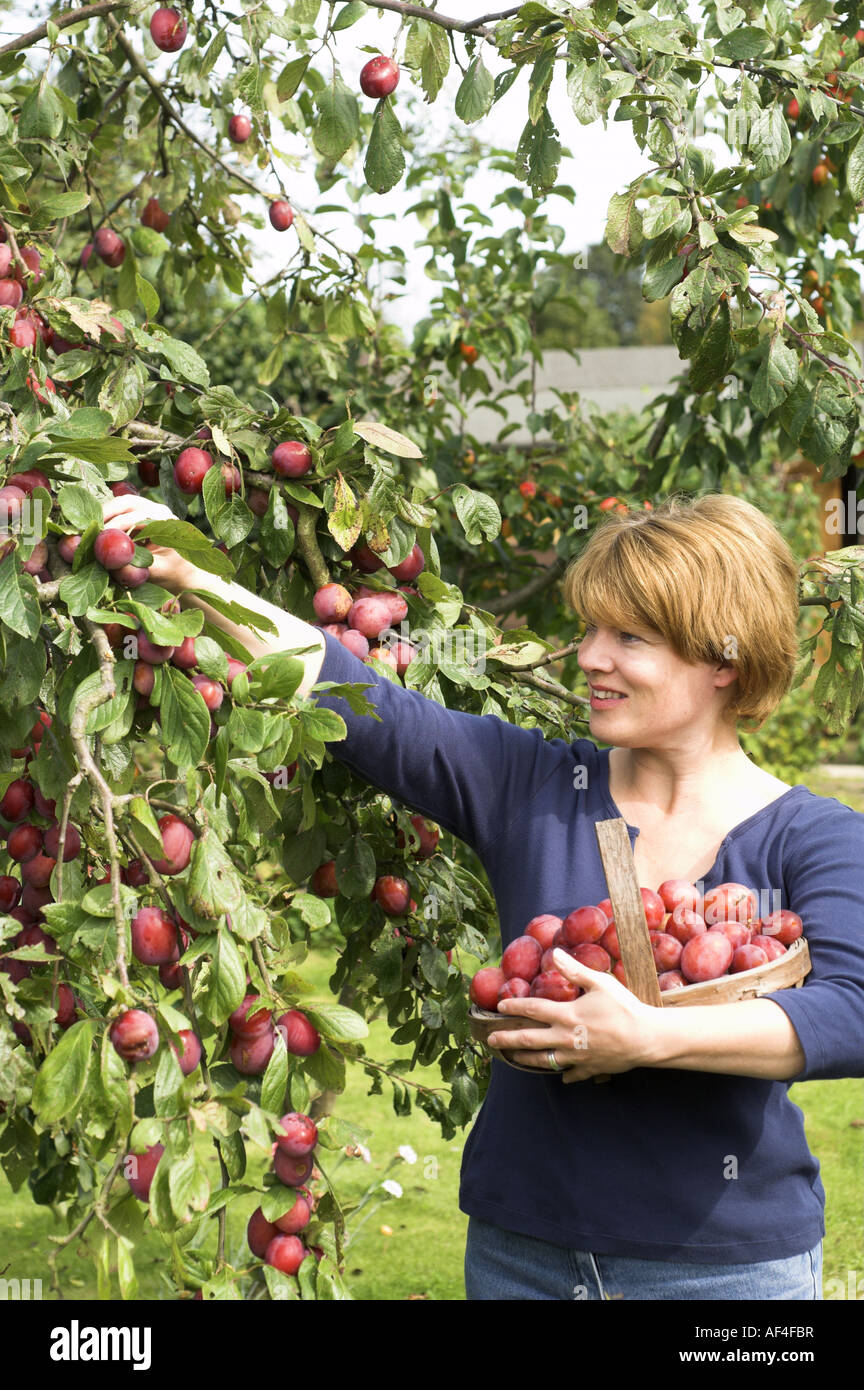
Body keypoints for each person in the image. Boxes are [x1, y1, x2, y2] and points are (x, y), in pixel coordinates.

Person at [101, 489, 864, 1301]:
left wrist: (648, 1038)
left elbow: (852, 1014)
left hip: (725, 1272)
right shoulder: (536, 786)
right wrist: (191, 573)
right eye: (591, 629)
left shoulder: (813, 836)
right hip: (523, 1254)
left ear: (725, 660)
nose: (591, 657)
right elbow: (350, 691)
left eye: (628, 638)